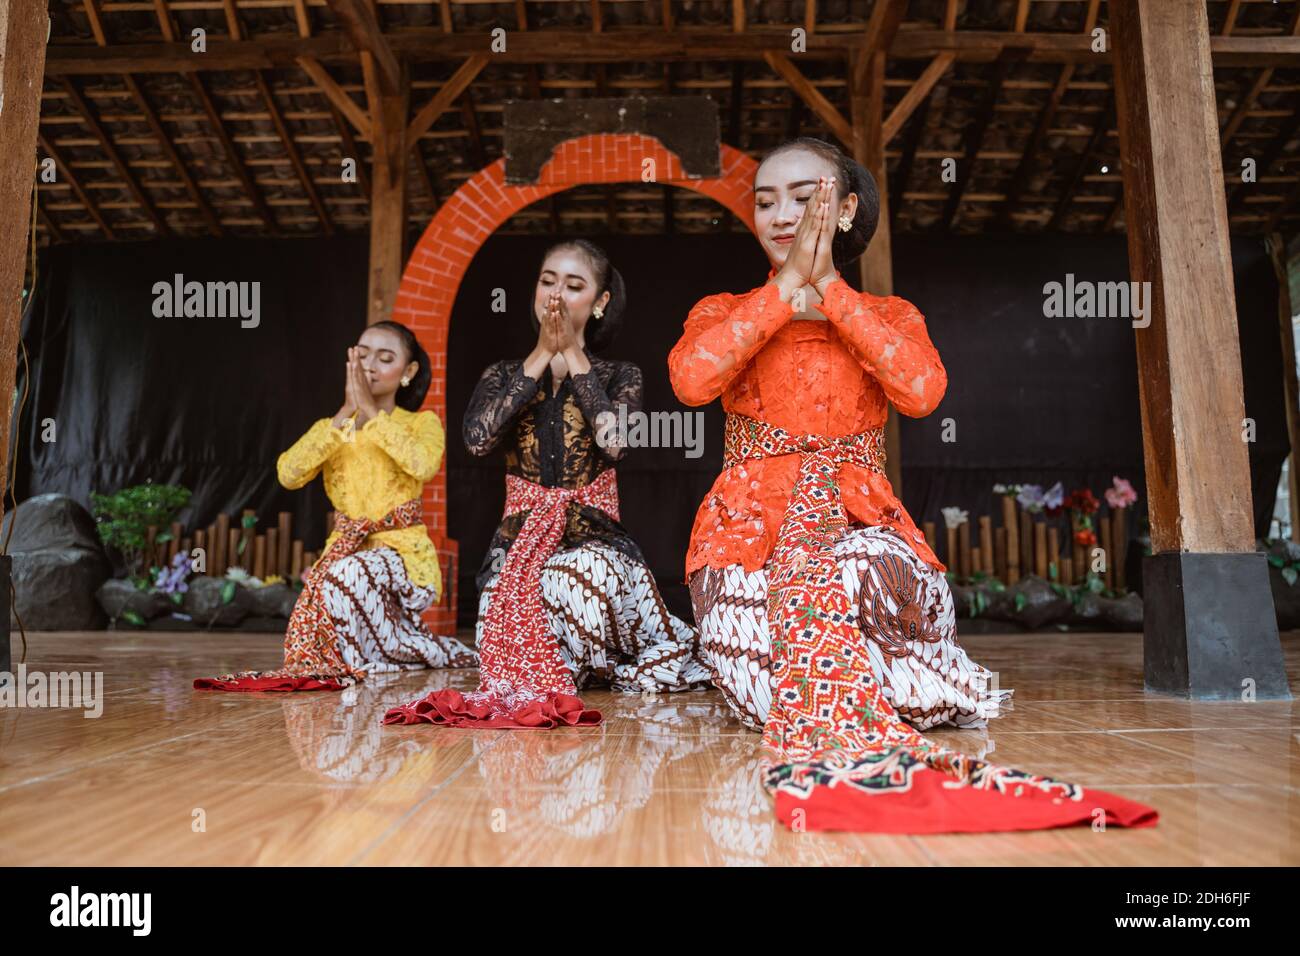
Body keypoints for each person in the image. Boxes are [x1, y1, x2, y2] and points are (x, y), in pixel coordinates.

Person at [668, 136, 1157, 833]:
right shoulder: (720, 309)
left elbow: (922, 389)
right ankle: (912, 685)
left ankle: (884, 680)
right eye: (767, 201)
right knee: (756, 694)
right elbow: (692, 379)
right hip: (748, 533)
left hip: (860, 525)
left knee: (857, 579)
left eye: (805, 198)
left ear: (844, 212)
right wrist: (782, 292)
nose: (782, 215)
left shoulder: (890, 315)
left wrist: (828, 290)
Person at [385, 240, 709, 729]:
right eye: (547, 281)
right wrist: (539, 356)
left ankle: (587, 664)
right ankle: (561, 670)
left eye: (574, 285)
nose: (555, 295)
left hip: (596, 538)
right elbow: (476, 441)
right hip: (519, 541)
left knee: (576, 576)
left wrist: (574, 356)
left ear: (599, 303)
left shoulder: (622, 374)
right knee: (502, 601)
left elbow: (618, 443)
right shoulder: (502, 374)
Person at [195, 321, 477, 692]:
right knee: (343, 576)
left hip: (404, 557)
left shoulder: (420, 422)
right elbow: (288, 474)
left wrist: (372, 415)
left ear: (408, 372)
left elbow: (422, 465)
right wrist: (346, 412)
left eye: (385, 358)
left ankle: (375, 660)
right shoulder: (334, 427)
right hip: (347, 554)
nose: (370, 366)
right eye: (362, 356)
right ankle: (411, 653)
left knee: (346, 576)